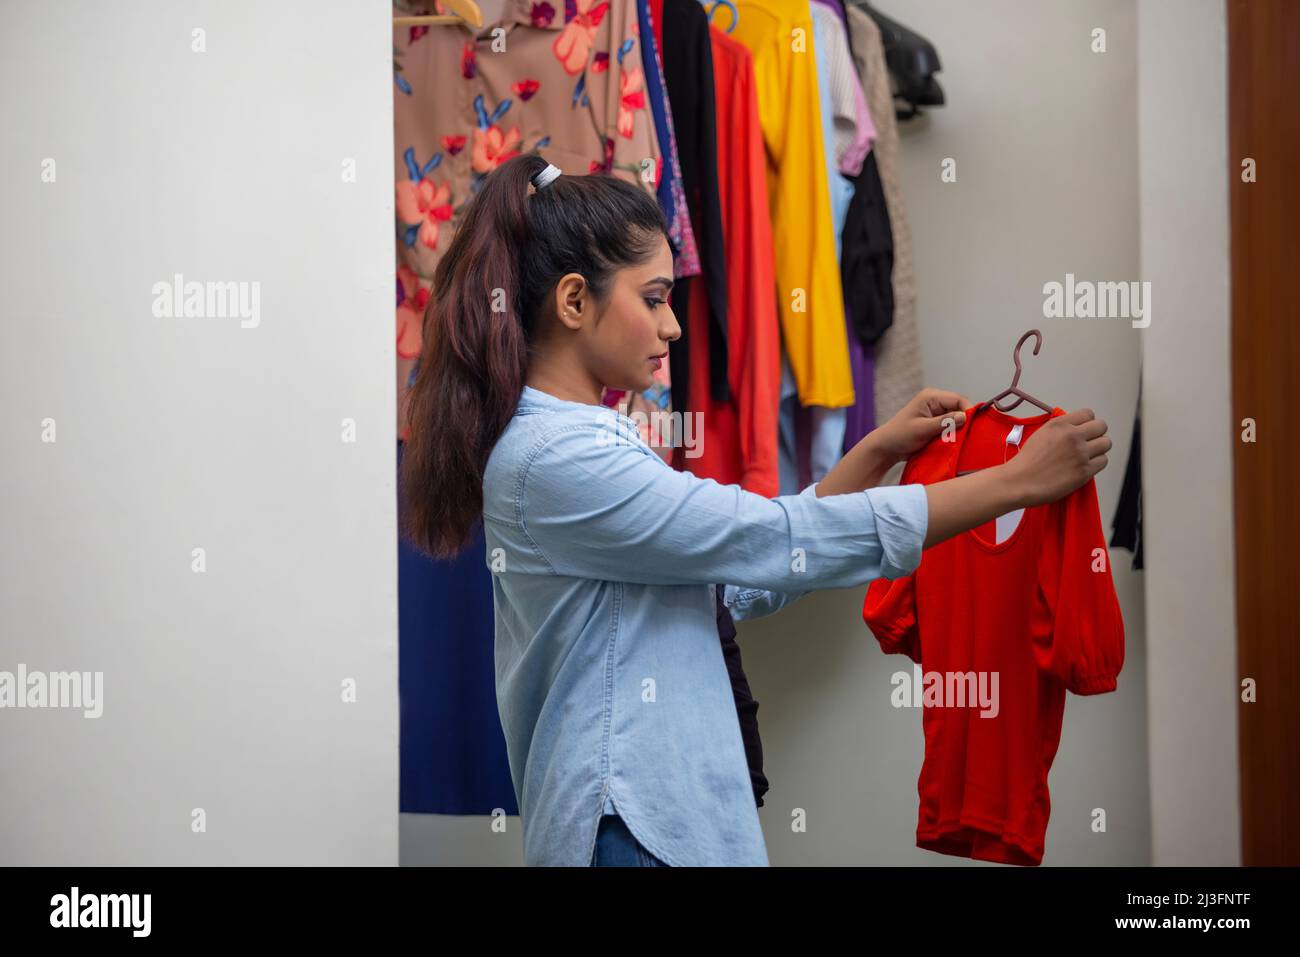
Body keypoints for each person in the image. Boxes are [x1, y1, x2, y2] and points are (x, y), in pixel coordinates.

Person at [399, 153, 1111, 867]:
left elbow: (732, 581)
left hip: (652, 824)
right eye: (653, 299)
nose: (673, 326)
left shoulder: (579, 444)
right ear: (575, 301)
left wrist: (875, 451)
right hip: (633, 828)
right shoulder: (559, 460)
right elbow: (766, 538)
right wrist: (1018, 482)